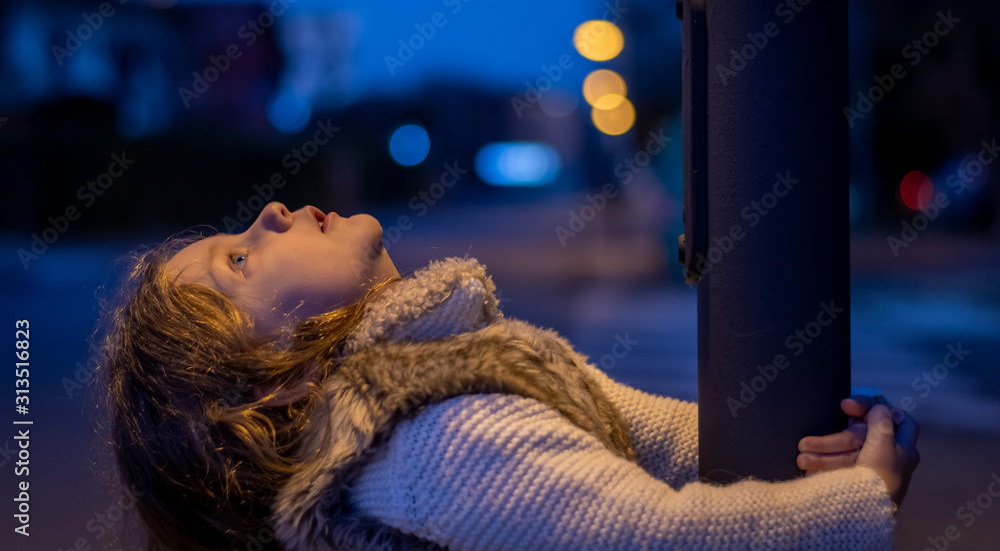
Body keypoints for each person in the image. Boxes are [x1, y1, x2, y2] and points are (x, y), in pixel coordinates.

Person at [97, 201, 920, 551]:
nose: (269, 214)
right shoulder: (432, 442)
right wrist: (859, 502)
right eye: (240, 259)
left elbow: (645, 431)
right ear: (273, 381)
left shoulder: (443, 373)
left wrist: (810, 435)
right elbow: (658, 541)